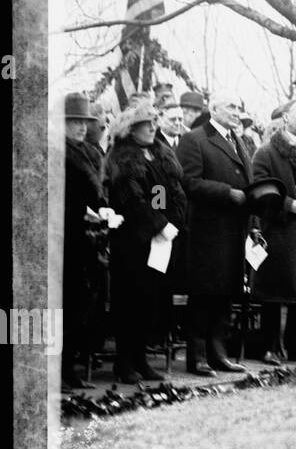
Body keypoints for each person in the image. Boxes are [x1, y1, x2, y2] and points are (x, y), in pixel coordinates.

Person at [105, 100, 188, 383]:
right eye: (146, 124)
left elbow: (172, 192)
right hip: (133, 241)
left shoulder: (161, 154)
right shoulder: (122, 157)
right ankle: (124, 362)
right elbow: (133, 199)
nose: (153, 128)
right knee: (130, 300)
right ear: (132, 128)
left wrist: (172, 222)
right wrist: (159, 224)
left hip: (161, 240)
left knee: (151, 301)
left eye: (155, 123)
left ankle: (141, 359)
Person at [177, 93, 253, 375]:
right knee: (204, 294)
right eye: (231, 106)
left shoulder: (239, 142)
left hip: (234, 230)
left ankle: (218, 353)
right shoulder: (195, 140)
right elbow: (188, 181)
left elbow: (247, 182)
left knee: (224, 295)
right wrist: (225, 193)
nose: (237, 111)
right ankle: (197, 357)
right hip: (206, 232)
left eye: (238, 106)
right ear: (213, 109)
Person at [250, 98, 296, 365]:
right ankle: (270, 348)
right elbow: (261, 190)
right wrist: (289, 205)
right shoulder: (266, 153)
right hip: (279, 230)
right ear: (285, 117)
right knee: (274, 295)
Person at [62, 93, 105, 389]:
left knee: (82, 301)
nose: (80, 126)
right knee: (66, 302)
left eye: (84, 121)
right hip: (63, 235)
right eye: (74, 121)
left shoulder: (88, 152)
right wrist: (85, 211)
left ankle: (69, 368)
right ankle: (60, 370)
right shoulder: (56, 151)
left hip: (85, 237)